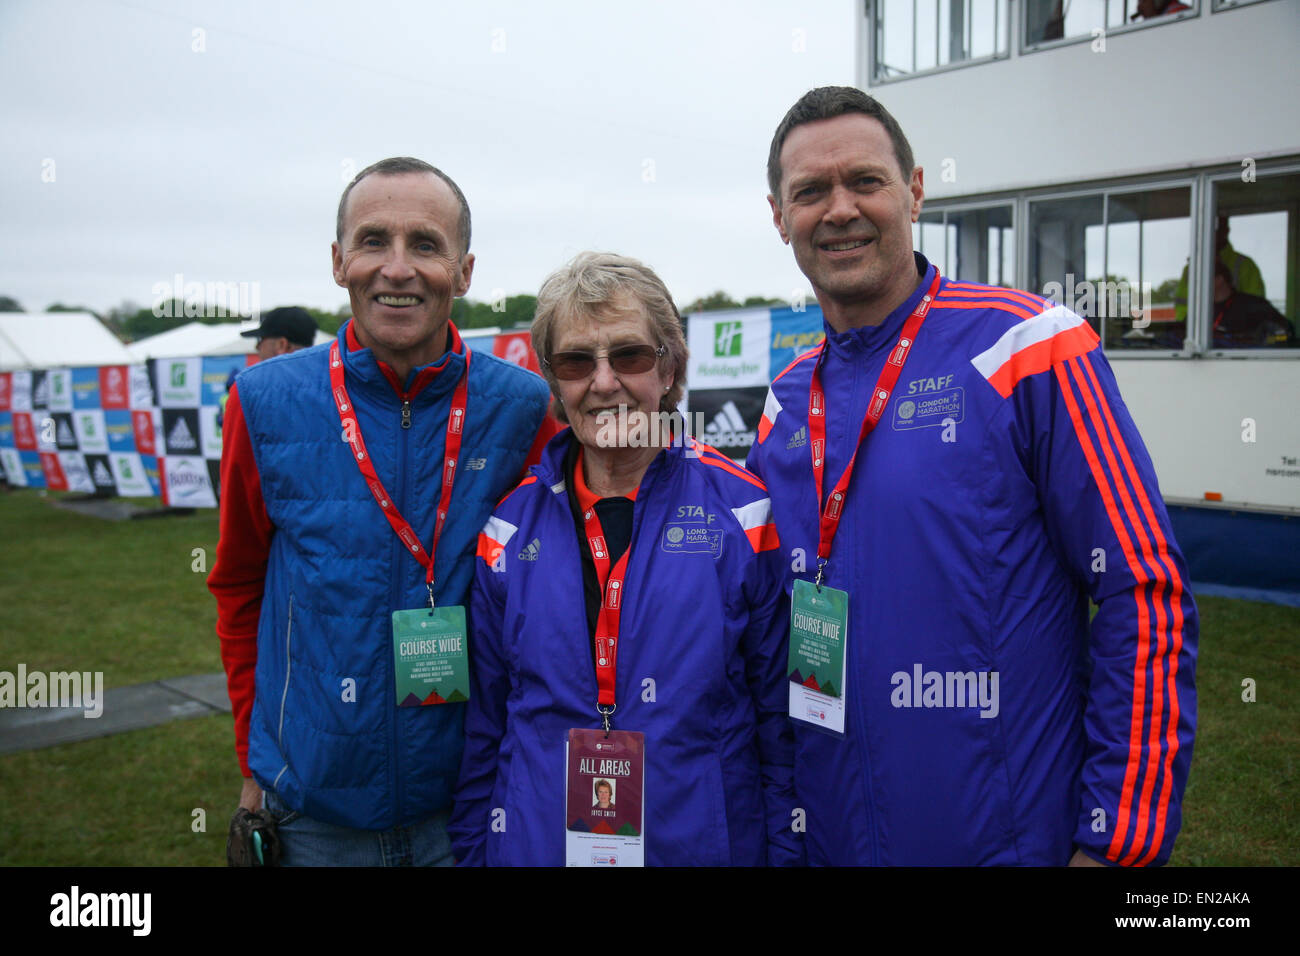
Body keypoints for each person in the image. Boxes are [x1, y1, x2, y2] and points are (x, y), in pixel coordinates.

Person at [749, 86, 1198, 866]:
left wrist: (1115, 842)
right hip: (830, 843)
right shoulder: (786, 398)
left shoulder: (1028, 345)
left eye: (866, 181)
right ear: (779, 215)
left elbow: (1145, 589)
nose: (840, 209)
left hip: (1004, 844)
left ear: (915, 190)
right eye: (811, 192)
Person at [208, 156, 553, 866]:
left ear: (464, 270)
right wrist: (253, 756)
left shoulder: (523, 407)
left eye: (426, 244)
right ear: (339, 262)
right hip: (313, 818)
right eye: (373, 241)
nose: (398, 268)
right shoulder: (263, 401)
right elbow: (239, 585)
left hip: (469, 809)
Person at [449, 252, 801, 866]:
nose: (604, 382)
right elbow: (485, 726)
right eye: (578, 361)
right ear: (555, 381)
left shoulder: (744, 514)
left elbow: (781, 725)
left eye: (631, 356)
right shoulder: (506, 528)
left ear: (669, 369)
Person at [218, 307, 318, 429]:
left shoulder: (250, 392)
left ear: (282, 344)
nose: (256, 347)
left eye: (260, 340)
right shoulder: (332, 388)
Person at [1174, 214, 1266, 324]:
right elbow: (1182, 306)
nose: (1210, 233)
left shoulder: (1245, 265)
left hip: (1236, 336)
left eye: (1216, 227)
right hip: (1197, 336)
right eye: (1206, 228)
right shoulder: (1191, 268)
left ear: (1226, 231)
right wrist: (1187, 329)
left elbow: (1257, 309)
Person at [1211, 262, 1294, 348]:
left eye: (1204, 277)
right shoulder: (1201, 308)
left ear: (1219, 279)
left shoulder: (1253, 305)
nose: (1198, 283)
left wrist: (1253, 341)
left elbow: (1285, 334)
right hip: (1211, 359)